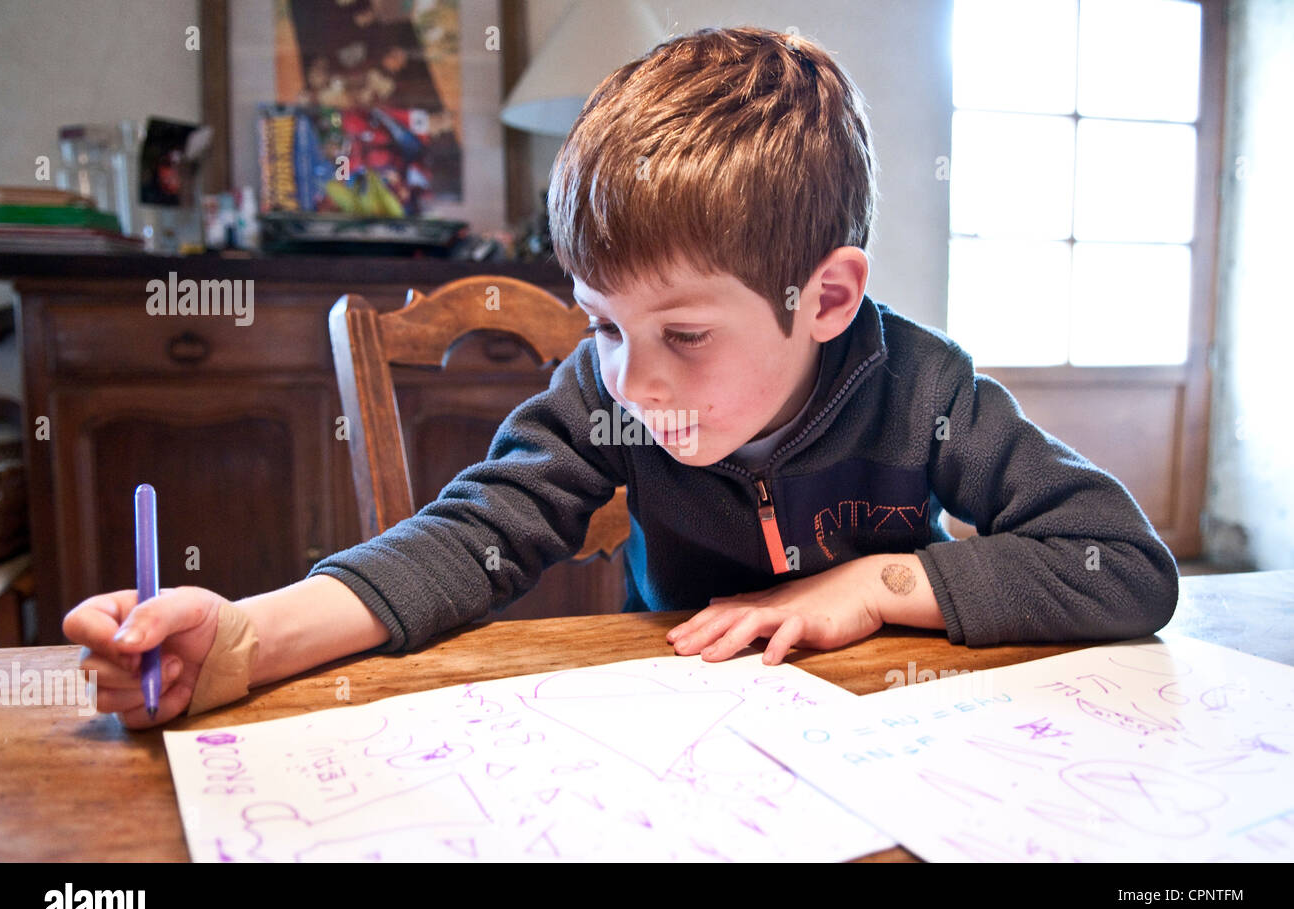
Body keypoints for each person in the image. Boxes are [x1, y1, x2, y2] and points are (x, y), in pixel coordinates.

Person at [65, 27, 1178, 729]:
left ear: (825, 299)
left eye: (684, 335)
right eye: (601, 324)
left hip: (898, 729)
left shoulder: (926, 392)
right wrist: (249, 639)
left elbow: (1124, 565)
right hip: (692, 745)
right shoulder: (608, 395)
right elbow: (466, 535)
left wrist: (873, 585)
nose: (630, 380)